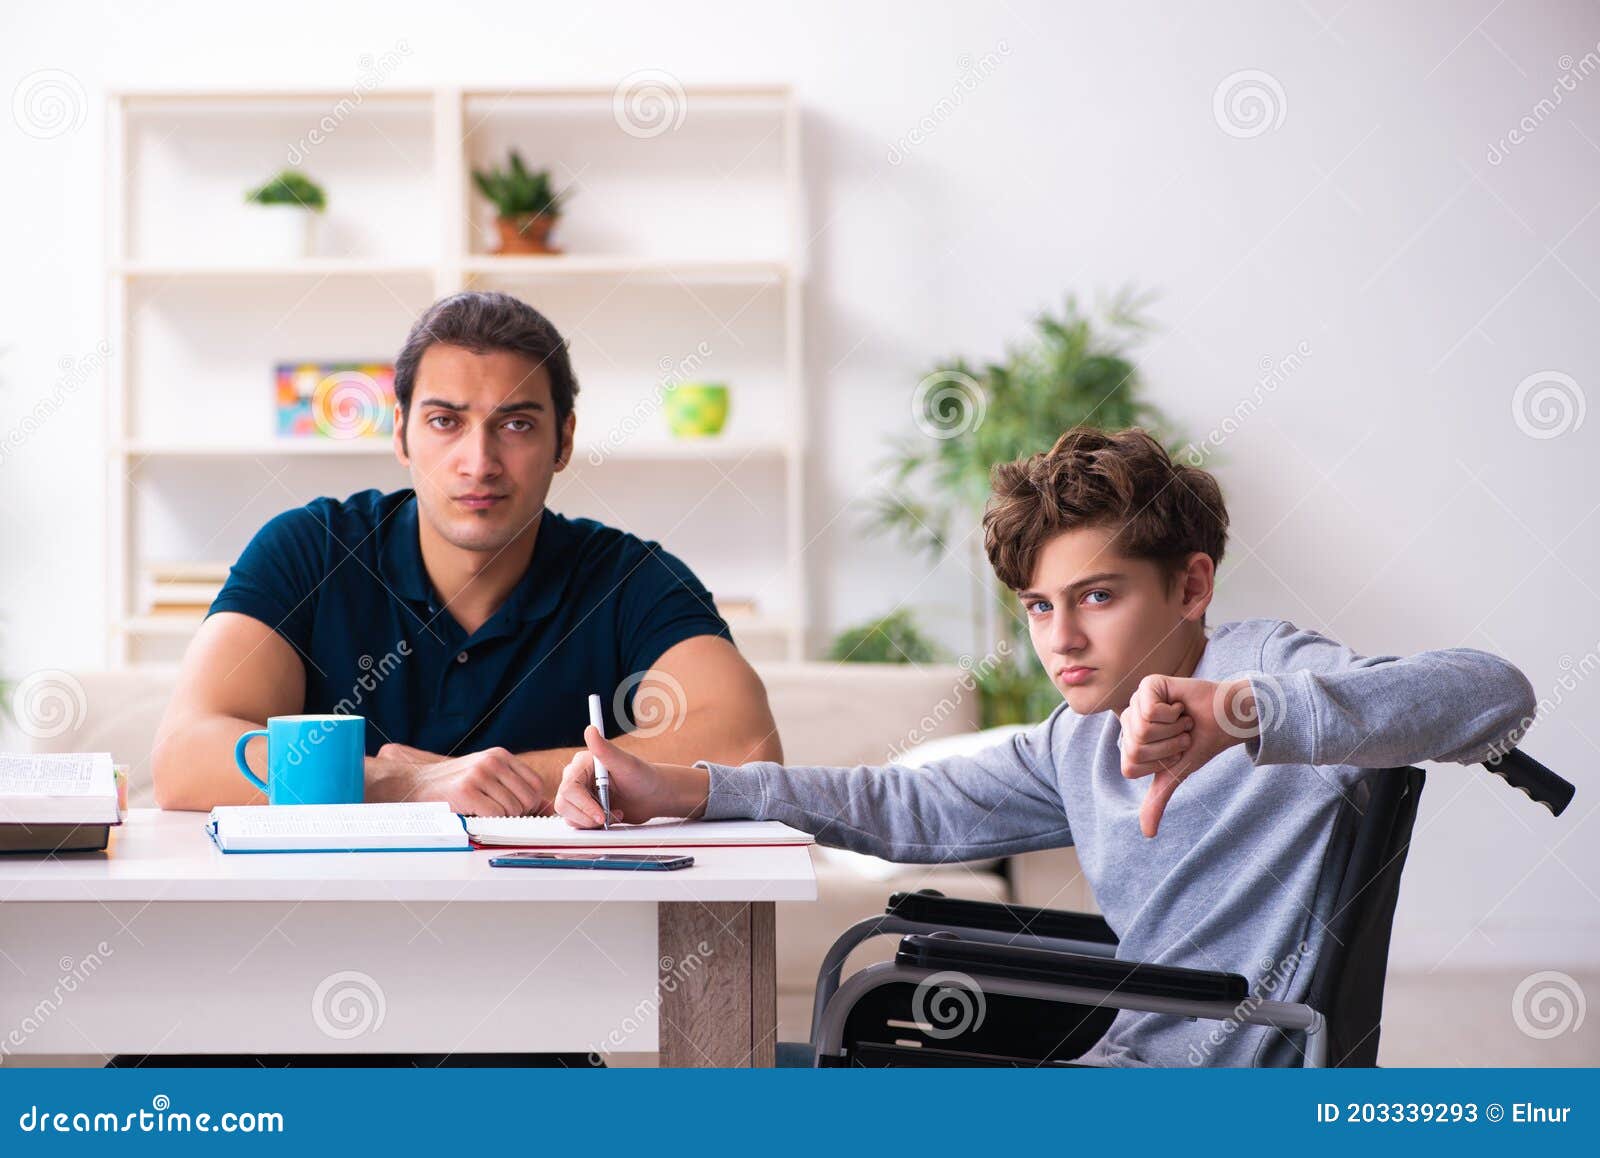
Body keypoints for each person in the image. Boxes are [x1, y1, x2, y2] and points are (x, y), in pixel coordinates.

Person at [551, 425, 1538, 1067]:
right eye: (1037, 606)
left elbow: (1492, 694)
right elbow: (903, 806)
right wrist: (686, 786)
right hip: (1112, 1066)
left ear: (1189, 589)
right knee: (747, 1068)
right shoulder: (1081, 733)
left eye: (1097, 597)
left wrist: (1236, 713)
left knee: (738, 1078)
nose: (1060, 637)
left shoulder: (1262, 667)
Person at [152, 289, 781, 817]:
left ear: (563, 441)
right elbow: (187, 755)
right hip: (328, 922)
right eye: (445, 421)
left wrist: (502, 783)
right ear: (399, 432)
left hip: (567, 931)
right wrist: (404, 783)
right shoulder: (310, 549)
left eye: (516, 425)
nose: (479, 463)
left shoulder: (628, 578)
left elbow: (746, 748)